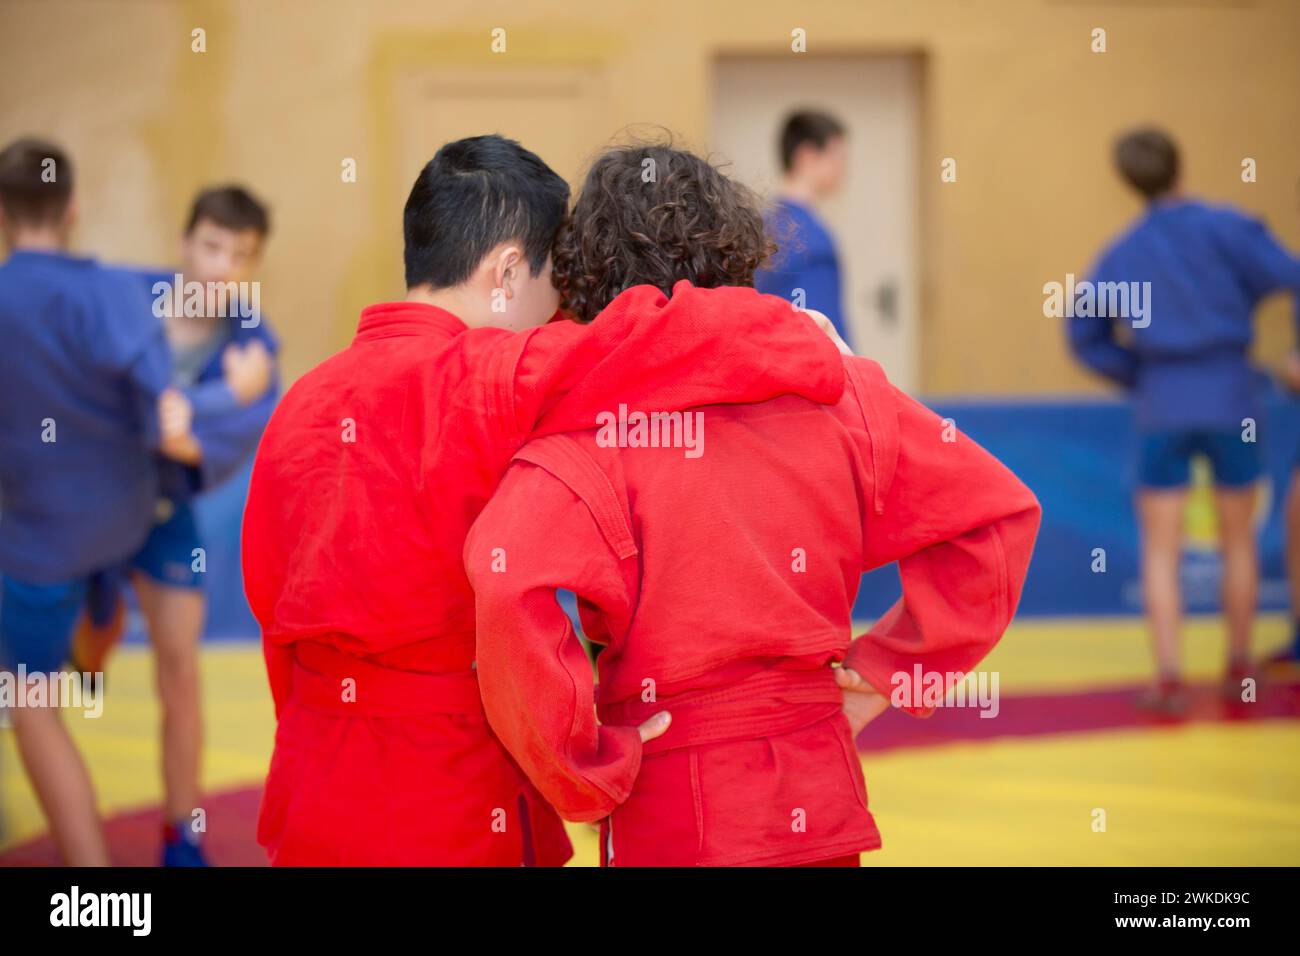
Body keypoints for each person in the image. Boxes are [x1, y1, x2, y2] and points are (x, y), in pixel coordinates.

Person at [239, 134, 847, 865]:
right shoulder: (498, 374)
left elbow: (273, 619)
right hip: (456, 804)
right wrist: (798, 334)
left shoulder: (300, 402)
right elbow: (659, 343)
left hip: (312, 790)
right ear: (505, 271)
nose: (564, 308)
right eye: (555, 282)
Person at [465, 142, 1041, 867]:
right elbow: (997, 517)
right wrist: (891, 671)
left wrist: (581, 767)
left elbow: (503, 576)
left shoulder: (591, 424)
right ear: (735, 246)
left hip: (671, 796)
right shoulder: (837, 388)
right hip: (819, 787)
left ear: (585, 267)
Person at [1069, 127, 1300, 713]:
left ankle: (1169, 676)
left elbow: (1082, 330)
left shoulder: (1124, 252)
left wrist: (1135, 373)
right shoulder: (1229, 227)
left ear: (1127, 180)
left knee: (1160, 550)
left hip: (1163, 401)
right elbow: (1292, 275)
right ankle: (1240, 665)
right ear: (1180, 163)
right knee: (1239, 541)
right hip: (1232, 397)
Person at [0, 137, 176, 865]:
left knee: (26, 700)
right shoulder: (114, 294)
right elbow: (161, 405)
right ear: (72, 208)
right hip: (127, 520)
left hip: (38, 545)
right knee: (103, 573)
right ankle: (102, 607)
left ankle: (91, 877)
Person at [97, 186, 277, 867]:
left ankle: (182, 831)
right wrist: (219, 396)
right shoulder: (121, 303)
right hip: (83, 511)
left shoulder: (256, 346)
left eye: (239, 254)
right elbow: (111, 412)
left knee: (180, 669)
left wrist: (191, 420)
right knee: (50, 665)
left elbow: (205, 445)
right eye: (210, 245)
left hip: (164, 518)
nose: (220, 266)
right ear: (183, 242)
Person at [754, 109, 851, 346]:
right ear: (807, 156)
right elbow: (824, 329)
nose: (843, 168)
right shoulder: (810, 237)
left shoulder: (763, 225)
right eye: (837, 157)